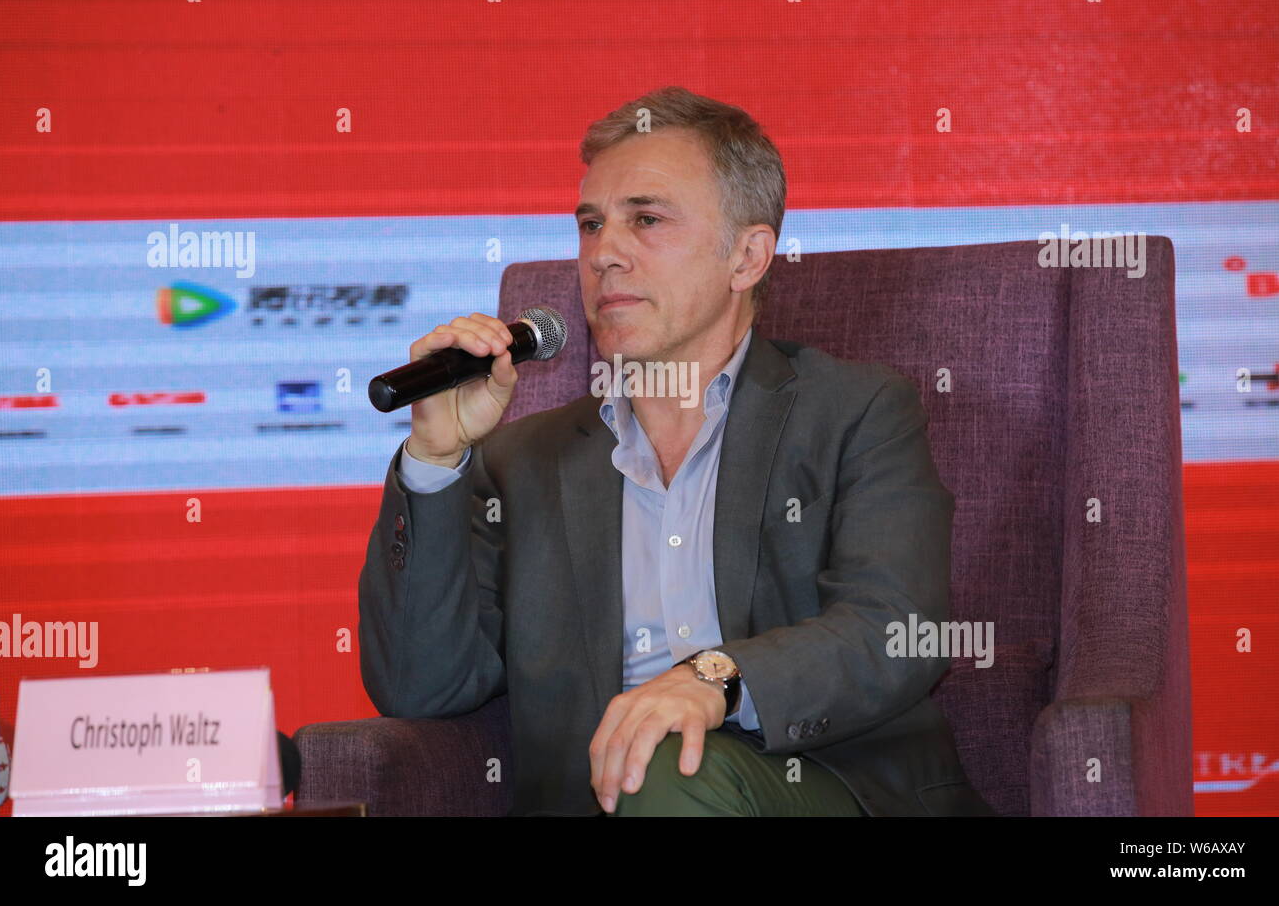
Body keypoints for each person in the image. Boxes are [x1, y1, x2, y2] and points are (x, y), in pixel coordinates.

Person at [358, 86, 994, 816]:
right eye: (591, 225)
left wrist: (712, 679)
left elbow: (897, 631)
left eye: (647, 220)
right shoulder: (522, 461)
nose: (605, 256)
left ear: (747, 257)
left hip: (820, 788)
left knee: (674, 772)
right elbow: (418, 685)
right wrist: (437, 460)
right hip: (612, 801)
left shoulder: (857, 412)